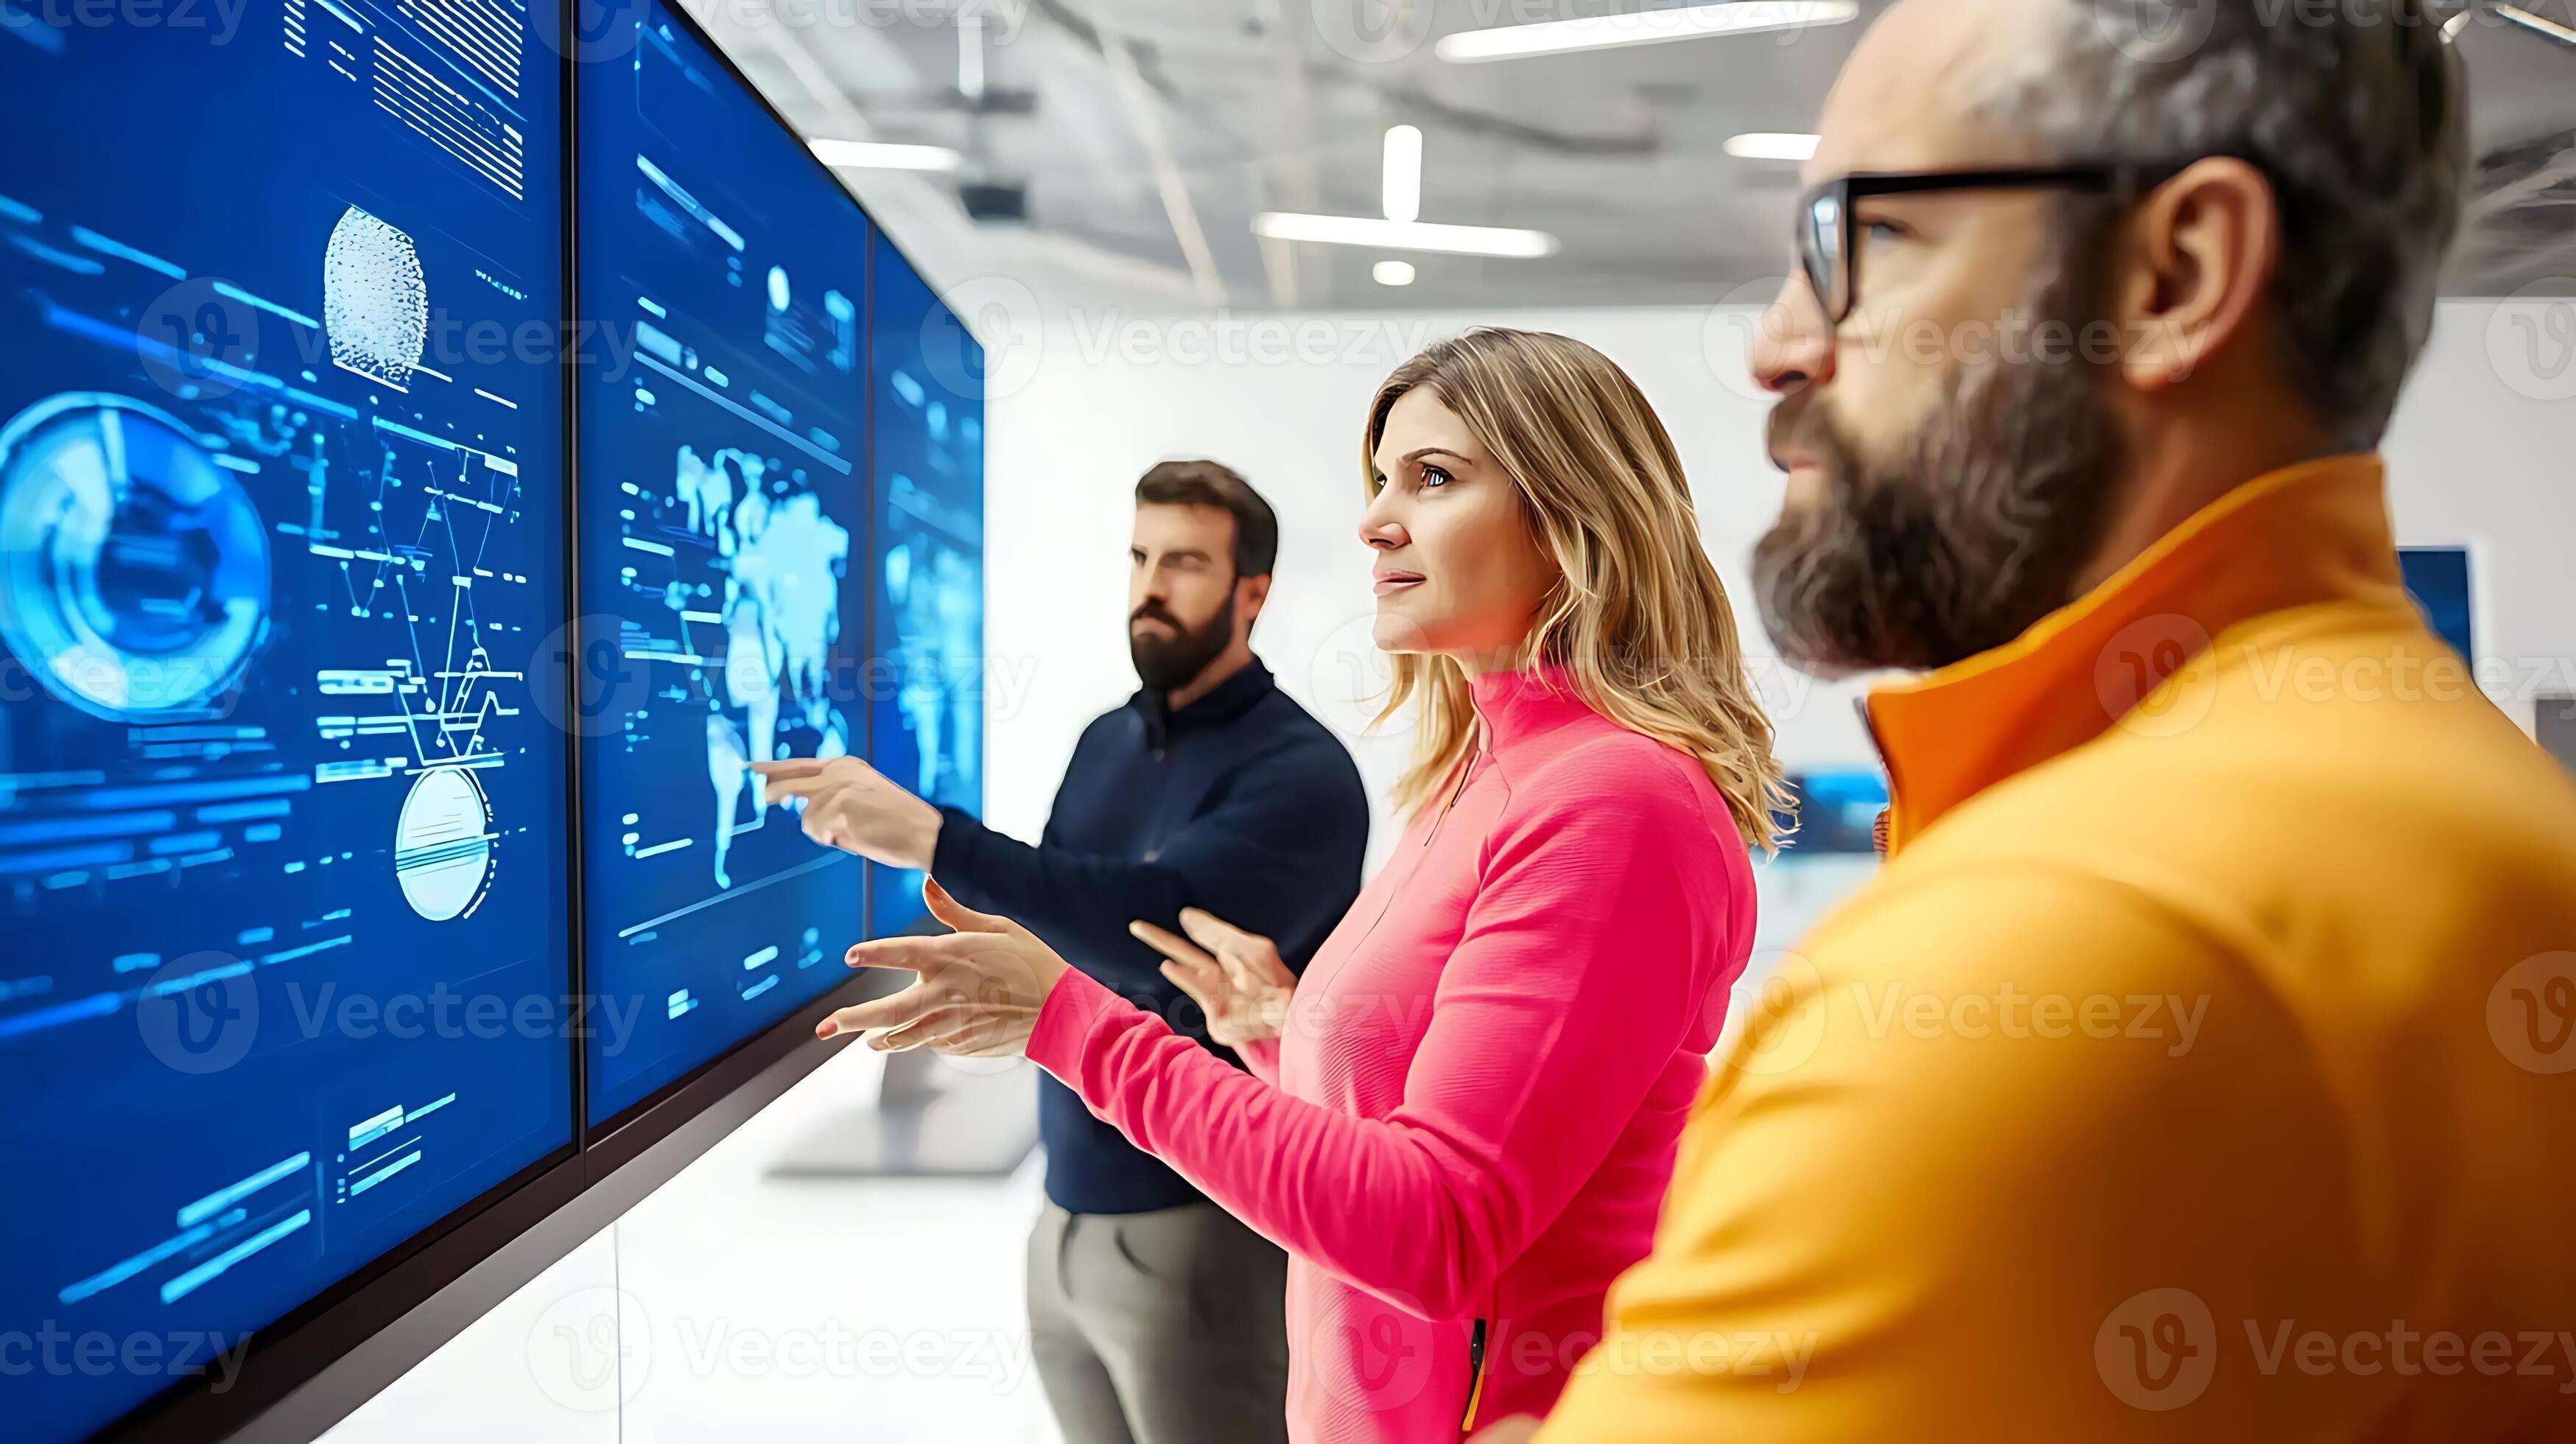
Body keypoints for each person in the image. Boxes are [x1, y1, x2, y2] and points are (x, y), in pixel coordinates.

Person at [1471, 1, 2576, 1439]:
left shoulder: (2046, 951)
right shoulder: (2485, 803)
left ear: (2174, 275)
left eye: (1855, 244)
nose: (1777, 345)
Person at [812, 329, 1786, 1442]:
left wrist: (1068, 1021)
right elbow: (1438, 1100)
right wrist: (1279, 1032)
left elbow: (1437, 1228)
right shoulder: (1485, 772)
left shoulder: (1612, 801)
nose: (1373, 522)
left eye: (1431, 478)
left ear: (1572, 515)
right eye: (1379, 480)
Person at [754, 460, 1369, 1444]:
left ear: (1252, 591)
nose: (1149, 587)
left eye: (1183, 562)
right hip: (1062, 1217)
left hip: (1198, 1228)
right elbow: (1058, 929)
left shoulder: (1303, 777)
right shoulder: (1105, 742)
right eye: (1137, 557)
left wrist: (935, 838)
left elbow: (1151, 928)